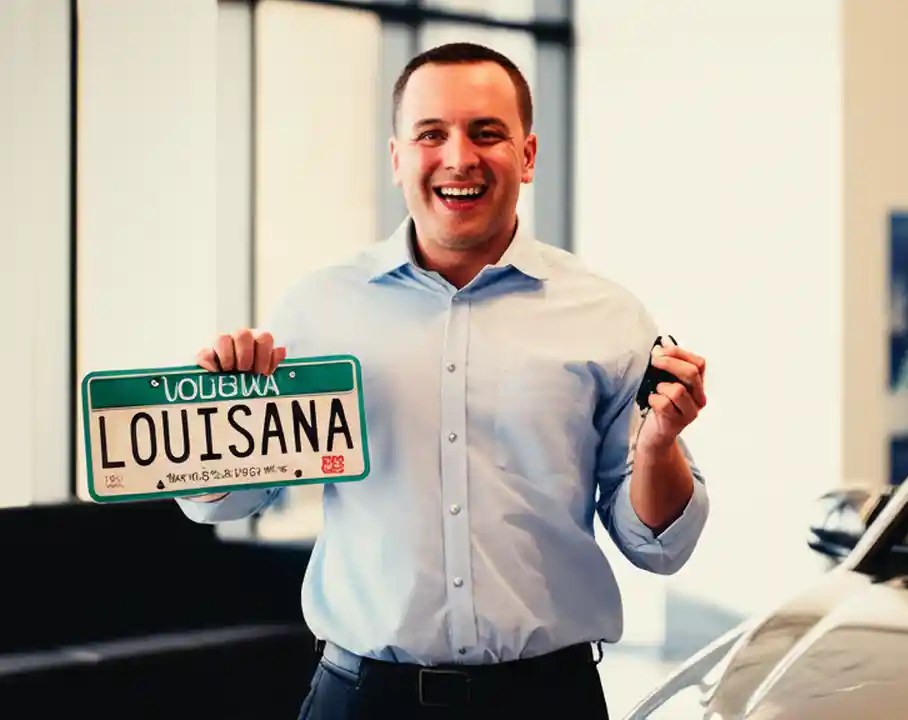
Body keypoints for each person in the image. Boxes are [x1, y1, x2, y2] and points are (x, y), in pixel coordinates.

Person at [175, 42, 710, 718]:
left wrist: (660, 447)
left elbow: (656, 545)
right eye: (432, 134)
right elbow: (223, 505)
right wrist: (224, 409)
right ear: (398, 157)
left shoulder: (606, 315)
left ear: (529, 154)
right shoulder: (319, 310)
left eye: (487, 133)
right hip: (362, 700)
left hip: (548, 701)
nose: (459, 157)